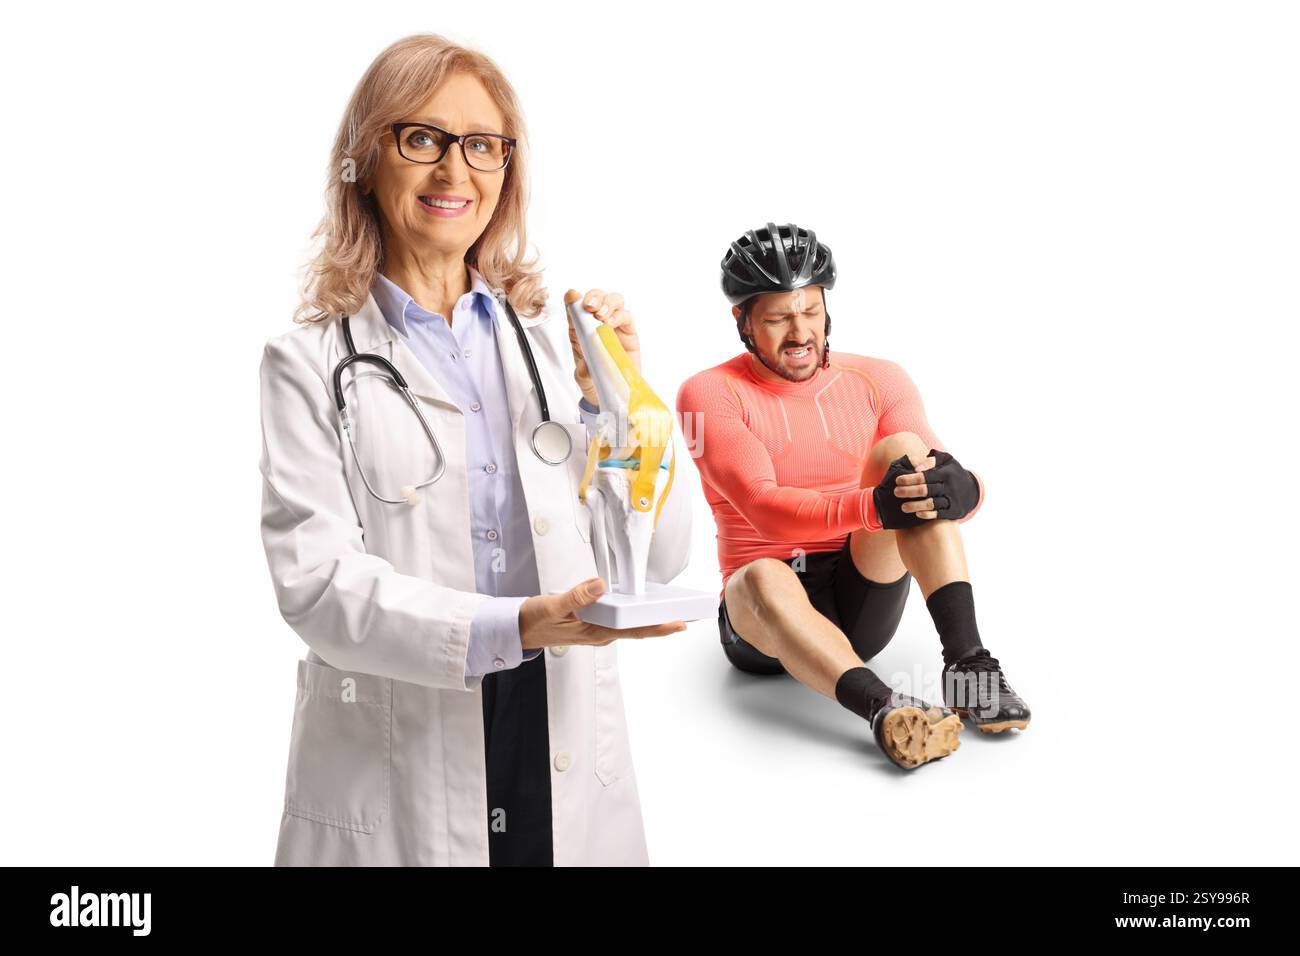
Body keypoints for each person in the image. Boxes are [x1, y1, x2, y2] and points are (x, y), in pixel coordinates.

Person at [258, 33, 692, 866]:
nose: (455, 171)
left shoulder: (550, 348)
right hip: (404, 732)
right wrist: (516, 624)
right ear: (363, 159)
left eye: (484, 146)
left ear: (507, 171)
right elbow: (316, 584)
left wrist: (621, 404)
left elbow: (660, 559)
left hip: (559, 720)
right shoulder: (306, 362)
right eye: (422, 139)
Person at [674, 223, 1030, 771]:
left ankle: (969, 666)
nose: (799, 333)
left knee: (908, 455)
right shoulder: (709, 393)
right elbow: (762, 507)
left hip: (863, 599)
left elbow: (938, 477)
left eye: (810, 312)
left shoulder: (877, 378)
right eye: (777, 318)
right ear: (742, 322)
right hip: (762, 625)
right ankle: (887, 710)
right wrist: (872, 507)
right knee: (766, 573)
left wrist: (967, 490)